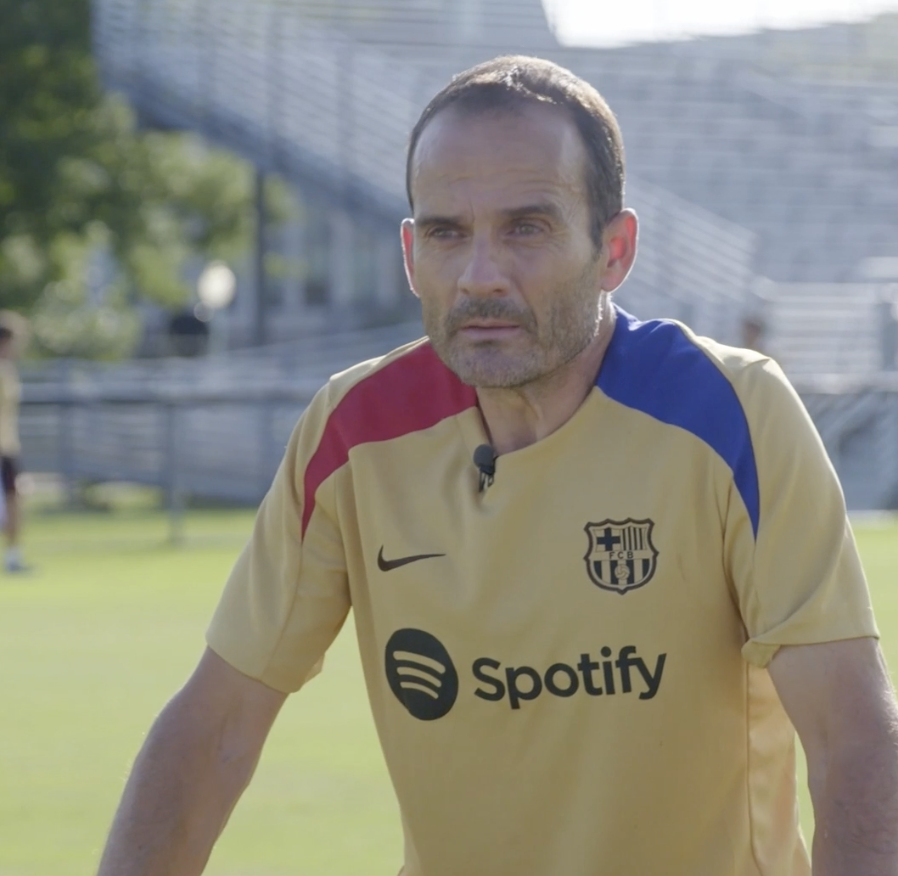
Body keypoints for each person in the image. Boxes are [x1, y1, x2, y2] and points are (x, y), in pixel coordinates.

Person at [96, 56, 898, 876]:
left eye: (527, 228)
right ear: (411, 255)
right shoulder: (352, 432)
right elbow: (217, 726)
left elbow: (853, 740)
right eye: (446, 233)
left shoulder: (731, 412)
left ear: (614, 250)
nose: (480, 276)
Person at [0, 316, 30, 574]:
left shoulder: (7, 370)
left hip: (8, 446)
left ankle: (12, 557)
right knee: (11, 502)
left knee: (15, 500)